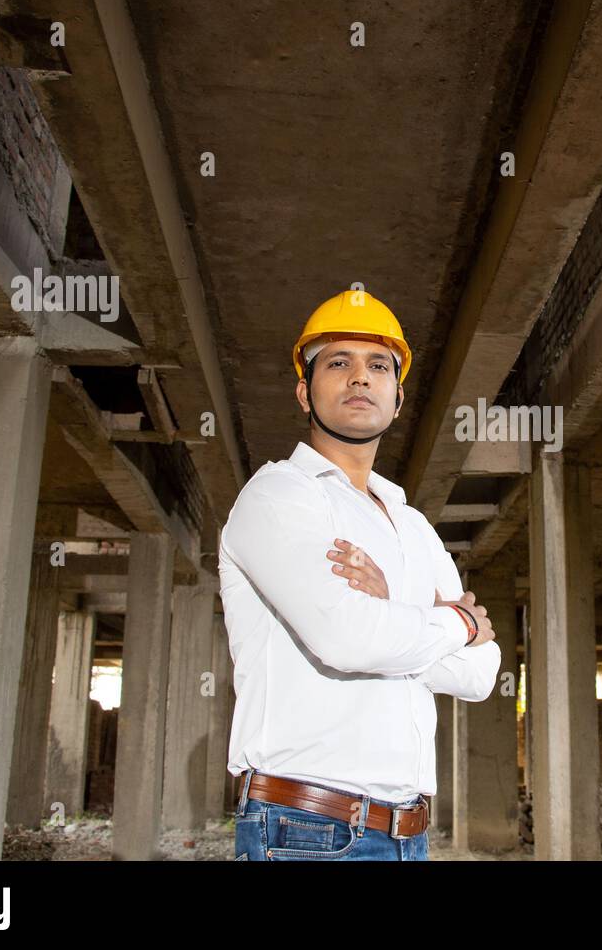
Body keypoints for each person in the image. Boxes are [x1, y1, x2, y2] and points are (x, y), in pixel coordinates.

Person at [219, 288, 501, 861]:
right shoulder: (278, 495)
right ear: (305, 391)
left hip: (408, 834)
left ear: (397, 400)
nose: (359, 378)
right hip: (307, 830)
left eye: (378, 366)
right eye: (338, 363)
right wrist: (455, 623)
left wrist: (393, 613)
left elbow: (481, 675)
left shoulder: (414, 526)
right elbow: (346, 639)